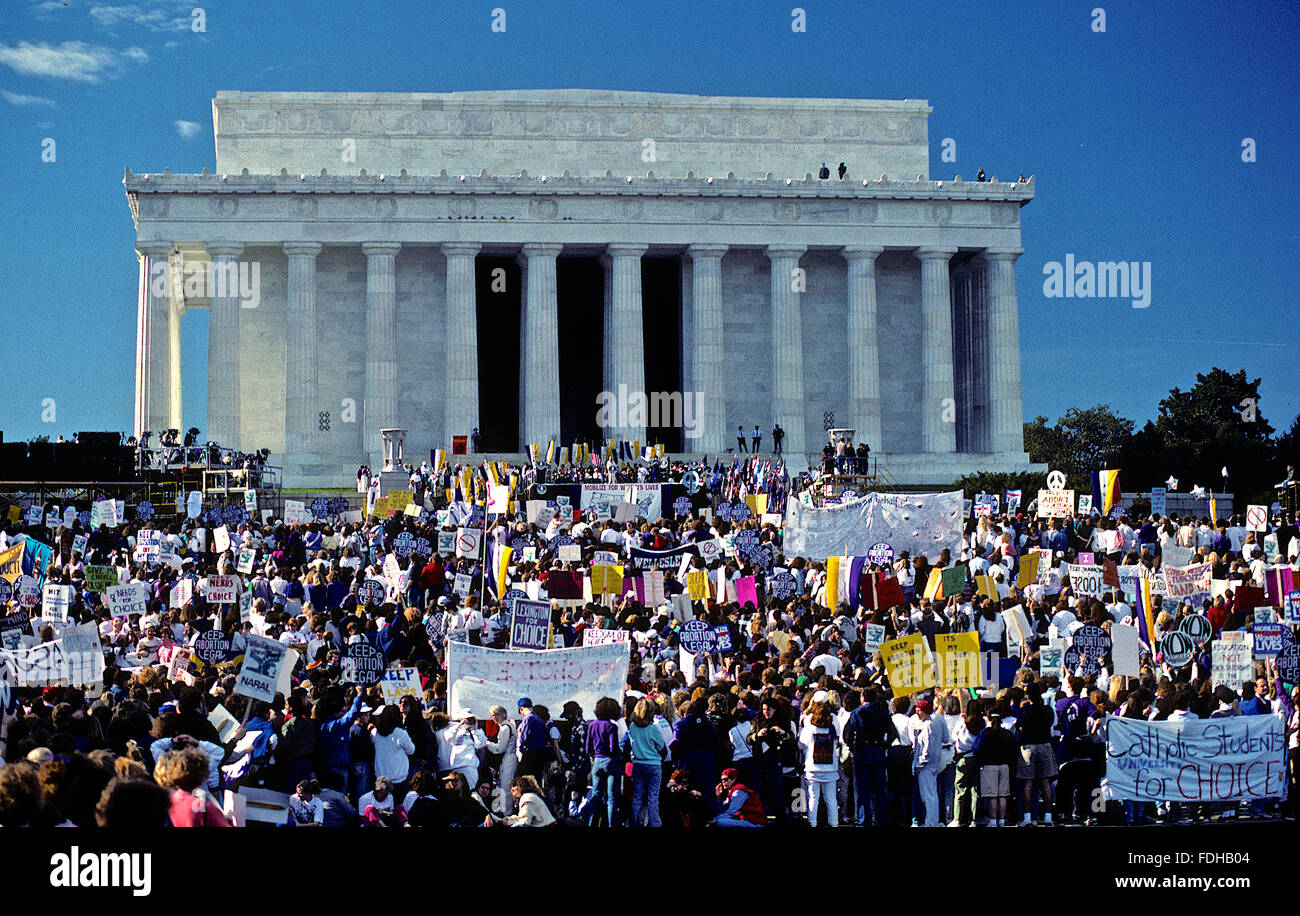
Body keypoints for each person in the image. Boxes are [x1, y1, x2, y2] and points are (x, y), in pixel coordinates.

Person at [843, 687, 897, 827]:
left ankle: (864, 819)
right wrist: (884, 746)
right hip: (878, 751)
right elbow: (892, 733)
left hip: (862, 752)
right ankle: (881, 819)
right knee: (880, 789)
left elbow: (847, 735)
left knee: (863, 789)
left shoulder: (856, 713)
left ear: (862, 698)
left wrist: (853, 748)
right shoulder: (883, 713)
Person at [621, 697, 668, 827]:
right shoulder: (653, 728)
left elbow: (627, 745)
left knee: (637, 797)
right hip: (653, 765)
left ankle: (634, 823)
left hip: (638, 764)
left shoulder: (632, 727)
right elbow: (662, 748)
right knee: (653, 798)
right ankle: (654, 824)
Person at [798, 694, 840, 827]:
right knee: (831, 799)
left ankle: (812, 823)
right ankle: (834, 823)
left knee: (813, 799)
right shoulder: (833, 725)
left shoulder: (810, 727)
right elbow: (838, 741)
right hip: (831, 768)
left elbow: (801, 744)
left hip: (812, 768)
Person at [974, 711, 1017, 826]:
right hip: (1004, 766)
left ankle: (993, 820)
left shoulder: (985, 733)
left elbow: (977, 749)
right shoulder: (1007, 734)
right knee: (1003, 795)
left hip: (989, 766)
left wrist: (980, 763)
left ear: (989, 719)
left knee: (992, 795)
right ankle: (1002, 820)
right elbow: (1013, 750)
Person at [911, 698, 948, 827]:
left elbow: (927, 747)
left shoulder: (927, 726)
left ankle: (931, 822)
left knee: (928, 795)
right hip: (935, 762)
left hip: (926, 764)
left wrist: (921, 762)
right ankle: (932, 821)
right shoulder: (939, 720)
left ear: (924, 712)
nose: (917, 714)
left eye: (918, 711)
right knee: (931, 793)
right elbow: (945, 738)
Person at [484, 775, 555, 827]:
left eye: (515, 786)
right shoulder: (530, 796)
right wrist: (508, 820)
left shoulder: (527, 798)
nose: (512, 789)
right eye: (511, 787)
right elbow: (522, 817)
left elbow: (524, 822)